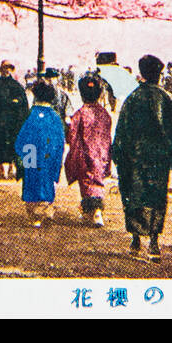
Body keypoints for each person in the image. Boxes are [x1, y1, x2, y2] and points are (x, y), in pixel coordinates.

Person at [111, 54, 172, 263]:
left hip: (134, 156)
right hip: (158, 158)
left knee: (134, 196)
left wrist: (118, 154)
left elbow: (122, 130)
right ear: (159, 74)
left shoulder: (132, 99)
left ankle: (136, 239)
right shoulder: (168, 99)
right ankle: (153, 241)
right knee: (156, 197)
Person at [15, 81, 67, 227]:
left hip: (31, 154)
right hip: (49, 154)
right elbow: (60, 139)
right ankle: (47, 209)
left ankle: (35, 215)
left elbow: (21, 138)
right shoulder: (55, 117)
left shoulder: (29, 115)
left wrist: (21, 155)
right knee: (47, 180)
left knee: (32, 181)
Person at [64, 72, 112, 227]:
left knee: (86, 183)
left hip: (84, 154)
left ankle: (92, 211)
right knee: (98, 180)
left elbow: (72, 135)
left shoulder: (80, 114)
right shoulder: (104, 114)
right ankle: (96, 211)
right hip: (101, 153)